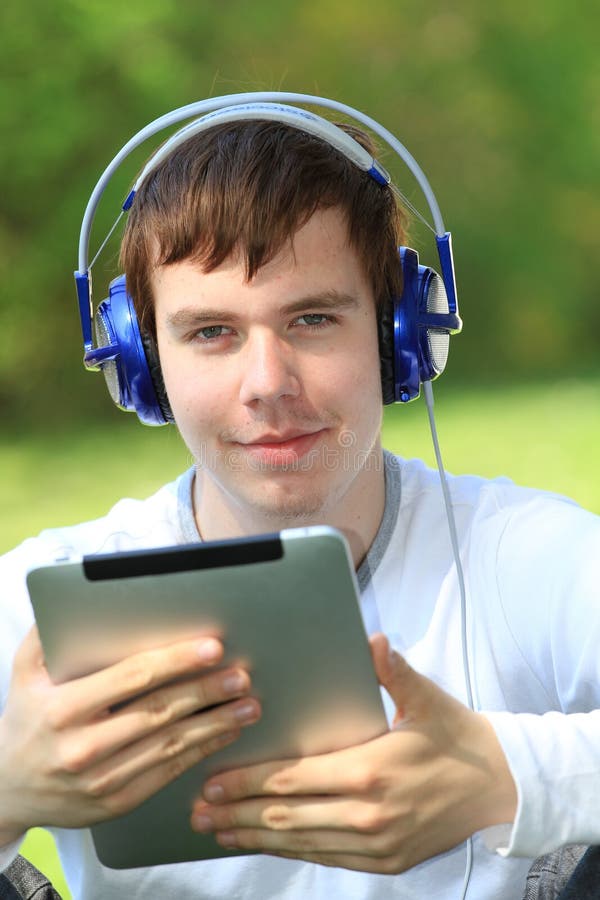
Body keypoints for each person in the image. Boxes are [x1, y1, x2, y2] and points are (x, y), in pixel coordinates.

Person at [1, 95, 599, 900]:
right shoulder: (43, 597)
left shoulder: (519, 554)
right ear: (141, 364)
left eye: (313, 318)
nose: (267, 386)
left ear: (400, 339)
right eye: (211, 332)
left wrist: (504, 777)